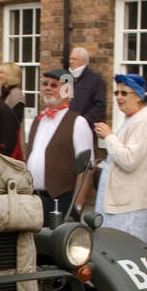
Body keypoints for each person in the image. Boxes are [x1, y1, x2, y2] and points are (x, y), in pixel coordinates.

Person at [93, 74, 147, 243]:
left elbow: (129, 160)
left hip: (131, 205)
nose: (118, 97)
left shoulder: (144, 121)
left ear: (138, 96)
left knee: (126, 253)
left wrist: (109, 136)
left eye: (124, 93)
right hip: (123, 202)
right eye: (116, 93)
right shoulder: (134, 119)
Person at [25, 68, 94, 217]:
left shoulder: (78, 122)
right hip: (34, 199)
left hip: (61, 200)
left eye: (54, 85)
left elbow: (85, 168)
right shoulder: (38, 120)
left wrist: (77, 205)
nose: (48, 88)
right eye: (45, 84)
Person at [67, 46, 106, 128]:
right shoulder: (67, 78)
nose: (71, 61)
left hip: (86, 128)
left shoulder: (95, 80)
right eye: (70, 59)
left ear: (83, 61)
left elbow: (100, 107)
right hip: (67, 127)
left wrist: (83, 121)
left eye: (74, 59)